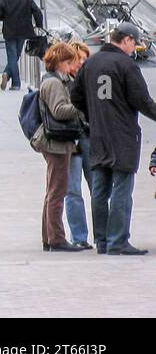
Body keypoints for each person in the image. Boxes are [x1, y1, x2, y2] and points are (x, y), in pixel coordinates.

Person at [70, 23, 156, 255]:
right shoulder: (126, 65)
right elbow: (142, 101)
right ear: (127, 40)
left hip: (98, 133)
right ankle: (118, 240)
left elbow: (75, 96)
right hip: (123, 135)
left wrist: (94, 113)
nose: (134, 49)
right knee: (122, 188)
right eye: (134, 44)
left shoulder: (90, 63)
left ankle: (103, 240)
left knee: (100, 188)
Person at [32, 42, 88, 252]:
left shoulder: (50, 81)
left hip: (54, 143)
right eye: (69, 62)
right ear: (60, 62)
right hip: (56, 144)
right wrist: (80, 106)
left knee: (53, 190)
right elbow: (59, 110)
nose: (71, 66)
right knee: (58, 190)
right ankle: (56, 238)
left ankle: (49, 237)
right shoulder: (54, 83)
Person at [64, 41, 95, 250]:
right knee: (73, 190)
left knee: (99, 187)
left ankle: (104, 233)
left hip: (90, 137)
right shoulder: (62, 82)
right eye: (78, 59)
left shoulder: (93, 81)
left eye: (86, 59)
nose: (82, 63)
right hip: (71, 140)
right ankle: (79, 236)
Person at [0, 0, 43, 92]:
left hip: (9, 31)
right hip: (24, 31)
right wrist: (39, 25)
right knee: (16, 56)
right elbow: (37, 11)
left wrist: (2, 17)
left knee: (12, 55)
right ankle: (7, 73)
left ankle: (15, 82)